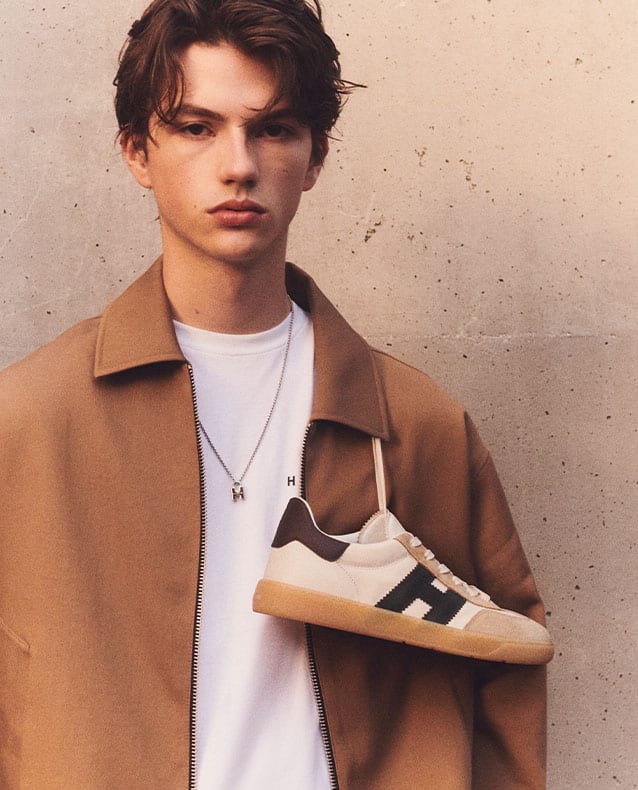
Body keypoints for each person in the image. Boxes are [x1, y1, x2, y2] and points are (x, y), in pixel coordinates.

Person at [0, 0, 548, 787]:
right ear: (136, 152)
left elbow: (510, 667)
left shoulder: (416, 426)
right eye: (197, 127)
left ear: (314, 156)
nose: (238, 165)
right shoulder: (30, 422)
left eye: (273, 129)